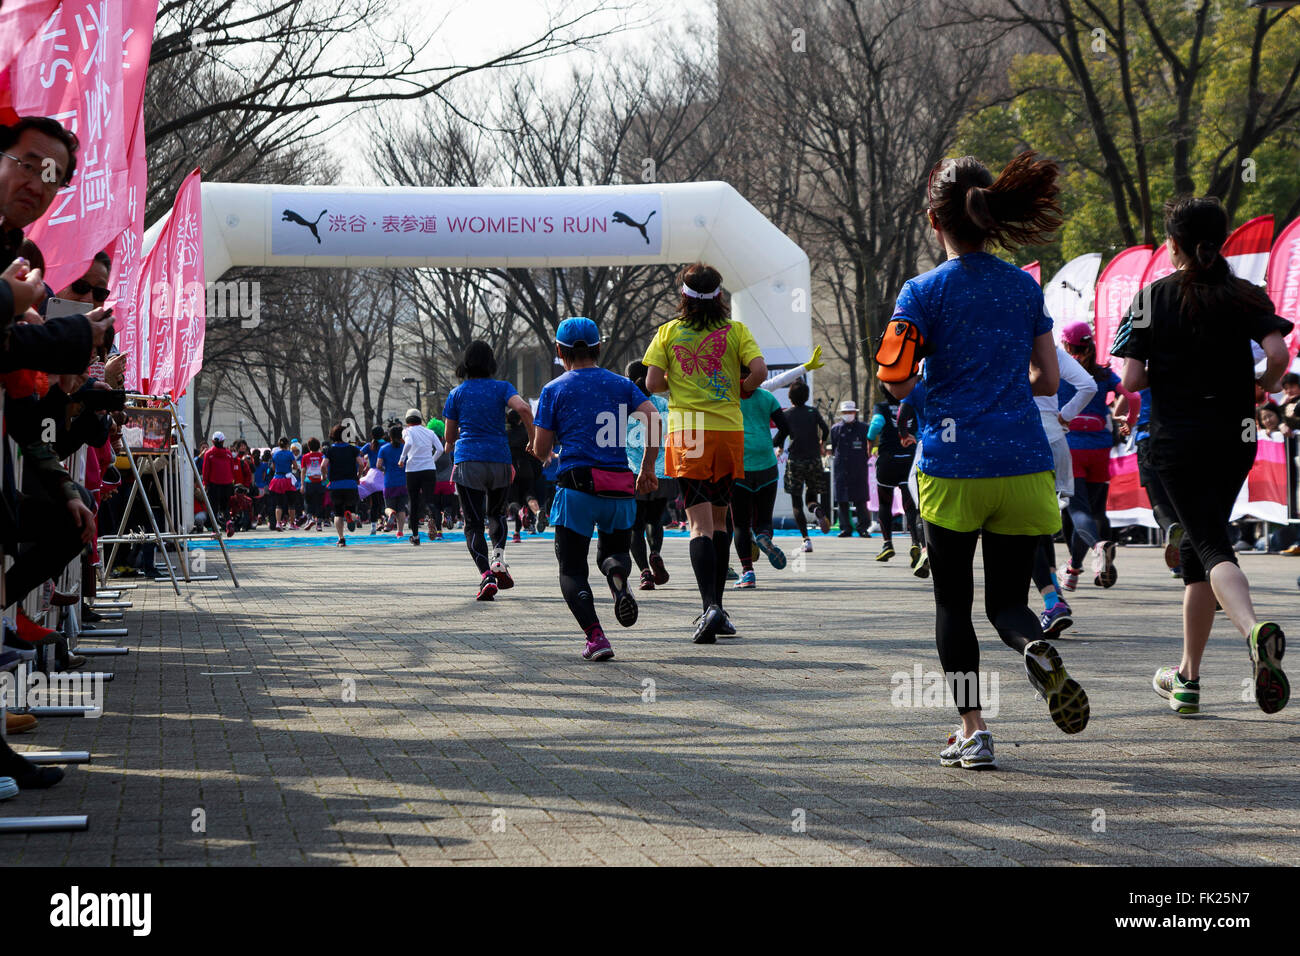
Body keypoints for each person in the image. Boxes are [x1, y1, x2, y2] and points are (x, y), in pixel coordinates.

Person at [884, 151, 1089, 770]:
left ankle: (973, 730)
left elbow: (894, 379)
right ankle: (1034, 647)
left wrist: (931, 372)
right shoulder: (1025, 285)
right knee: (1007, 603)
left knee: (953, 604)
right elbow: (1049, 378)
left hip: (953, 468)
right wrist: (1002, 377)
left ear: (933, 219)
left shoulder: (922, 291)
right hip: (1026, 465)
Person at [1112, 195, 1292, 718]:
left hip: (1176, 440)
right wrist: (1262, 384)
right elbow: (1278, 355)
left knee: (1212, 546)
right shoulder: (1246, 295)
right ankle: (1188, 679)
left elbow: (1132, 380)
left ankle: (1254, 631)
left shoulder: (1151, 297)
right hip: (1235, 438)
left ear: (1173, 246)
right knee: (1197, 555)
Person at [643, 262, 767, 643]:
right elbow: (760, 372)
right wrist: (741, 387)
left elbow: (652, 382)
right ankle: (720, 609)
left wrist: (679, 381)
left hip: (689, 433)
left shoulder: (668, 332)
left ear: (684, 296)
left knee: (698, 525)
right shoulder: (736, 331)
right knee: (720, 521)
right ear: (719, 296)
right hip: (728, 432)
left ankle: (709, 607)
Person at [532, 318, 661, 660]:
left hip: (577, 489)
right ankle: (618, 574)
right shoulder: (622, 386)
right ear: (598, 348)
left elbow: (542, 450)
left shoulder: (553, 389)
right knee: (611, 555)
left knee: (572, 569)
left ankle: (596, 637)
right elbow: (653, 418)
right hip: (619, 487)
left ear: (559, 352)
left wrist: (541, 450)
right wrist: (647, 468)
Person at [443, 341, 535, 599]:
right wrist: (533, 439)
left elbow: (449, 436)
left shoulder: (456, 394)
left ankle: (486, 576)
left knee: (472, 523)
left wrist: (453, 443)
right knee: (496, 514)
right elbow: (524, 409)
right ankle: (498, 558)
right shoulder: (502, 387)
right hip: (499, 460)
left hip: (469, 461)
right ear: (491, 363)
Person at [1058, 320, 1139, 590]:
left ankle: (1097, 545)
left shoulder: (1059, 370)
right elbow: (1133, 396)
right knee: (1095, 511)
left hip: (1070, 446)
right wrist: (1129, 420)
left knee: (1077, 510)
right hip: (1100, 447)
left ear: (1066, 344)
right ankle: (1072, 569)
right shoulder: (1104, 374)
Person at [1031, 345, 1096, 637]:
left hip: (1021, 438)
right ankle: (1054, 601)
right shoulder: (1050, 351)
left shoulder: (1001, 342)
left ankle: (1052, 601)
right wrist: (1065, 415)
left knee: (1023, 529)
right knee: (1041, 526)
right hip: (1055, 440)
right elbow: (1088, 385)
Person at [732, 366, 790, 588]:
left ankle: (747, 573)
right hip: (766, 463)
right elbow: (785, 427)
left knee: (740, 523)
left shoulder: (729, 397)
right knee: (763, 518)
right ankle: (764, 536)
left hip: (739, 465)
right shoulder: (766, 397)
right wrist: (771, 444)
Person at [625, 360, 675, 589]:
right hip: (660, 471)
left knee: (635, 526)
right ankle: (655, 552)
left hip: (631, 472)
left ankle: (645, 572)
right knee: (655, 521)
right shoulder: (661, 404)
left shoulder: (622, 406)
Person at [780, 380, 831, 552]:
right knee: (811, 496)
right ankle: (816, 509)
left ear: (790, 396)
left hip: (795, 461)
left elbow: (781, 435)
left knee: (796, 502)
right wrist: (821, 442)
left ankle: (806, 539)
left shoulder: (787, 414)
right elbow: (825, 429)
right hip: (814, 459)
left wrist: (779, 446)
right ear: (807, 396)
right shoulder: (813, 412)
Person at [398, 408, 443, 545]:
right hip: (429, 469)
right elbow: (440, 449)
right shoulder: (429, 432)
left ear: (407, 421)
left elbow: (409, 443)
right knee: (430, 500)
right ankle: (436, 520)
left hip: (413, 470)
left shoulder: (407, 431)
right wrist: (431, 460)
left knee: (414, 501)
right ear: (419, 420)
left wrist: (402, 459)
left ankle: (416, 536)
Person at [830, 399, 871, 540]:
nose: (848, 414)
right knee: (842, 499)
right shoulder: (835, 429)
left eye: (850, 412)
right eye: (845, 412)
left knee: (861, 499)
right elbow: (834, 446)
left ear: (855, 412)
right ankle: (845, 528)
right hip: (841, 467)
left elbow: (868, 447)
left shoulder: (864, 428)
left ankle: (863, 527)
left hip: (859, 466)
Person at [321, 423, 362, 546]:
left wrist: (325, 478)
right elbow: (361, 463)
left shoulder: (330, 450)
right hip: (351, 483)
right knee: (352, 509)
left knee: (338, 512)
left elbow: (323, 465)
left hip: (335, 485)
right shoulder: (353, 449)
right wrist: (358, 476)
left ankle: (341, 539)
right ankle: (351, 516)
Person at [377, 424, 409, 539]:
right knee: (401, 508)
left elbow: (378, 465)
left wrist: (384, 469)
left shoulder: (383, 449)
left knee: (388, 507)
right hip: (403, 482)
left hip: (389, 482)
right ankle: (400, 532)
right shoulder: (406, 448)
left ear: (389, 436)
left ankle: (390, 514)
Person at [201, 431, 236, 532]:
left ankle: (214, 530)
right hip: (227, 483)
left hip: (214, 484)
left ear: (212, 441)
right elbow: (232, 468)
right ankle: (229, 522)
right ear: (223, 441)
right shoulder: (228, 453)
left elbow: (205, 470)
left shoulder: (209, 454)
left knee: (213, 508)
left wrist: (205, 484)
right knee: (225, 506)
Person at [267, 437, 298, 530]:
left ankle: (278, 523)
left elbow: (273, 468)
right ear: (287, 445)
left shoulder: (275, 455)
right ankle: (292, 524)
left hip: (277, 480)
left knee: (279, 503)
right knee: (291, 503)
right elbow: (295, 466)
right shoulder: (290, 454)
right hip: (287, 480)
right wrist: (291, 467)